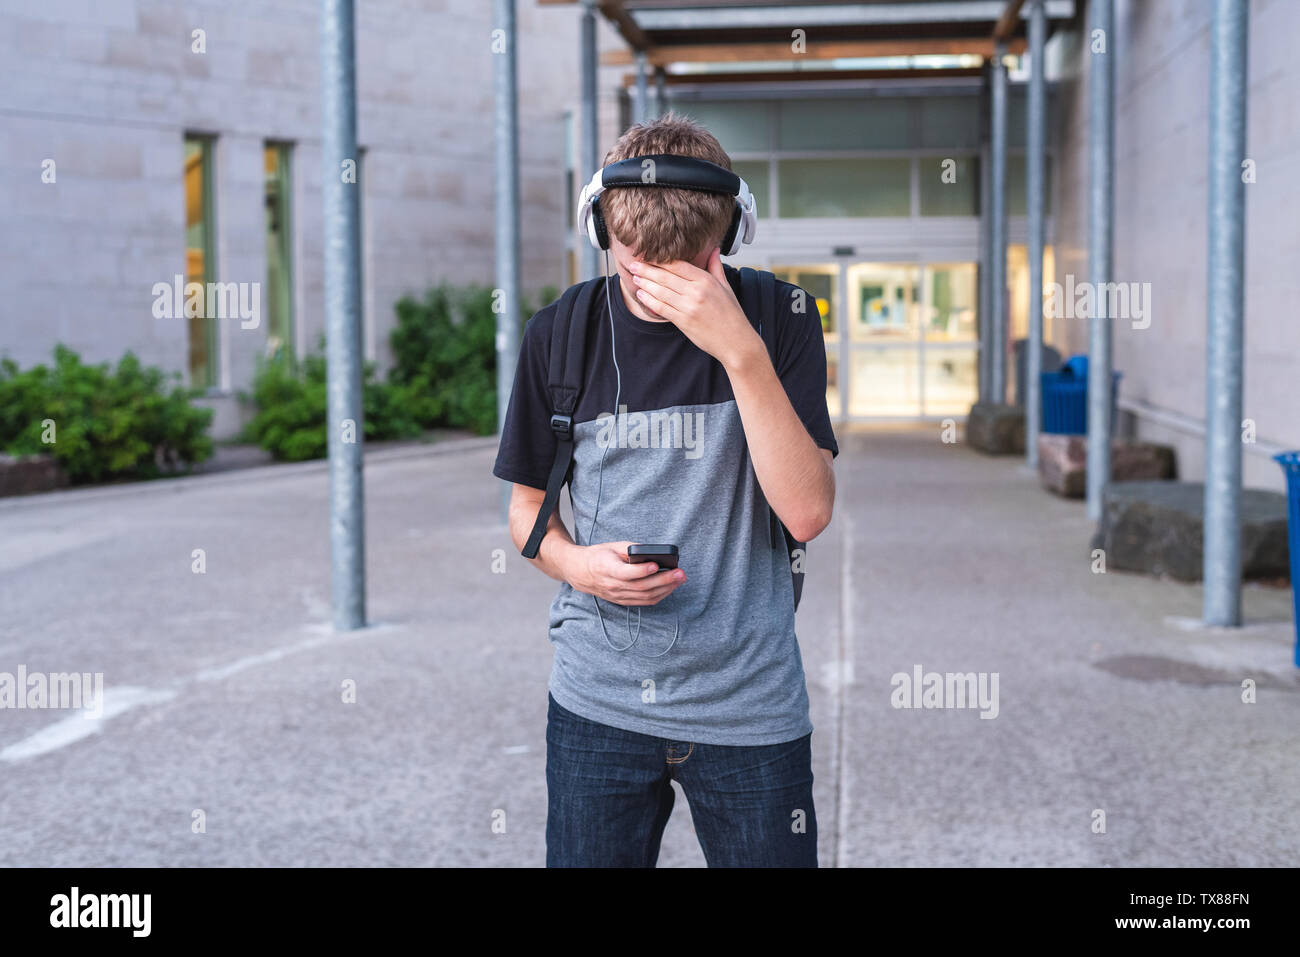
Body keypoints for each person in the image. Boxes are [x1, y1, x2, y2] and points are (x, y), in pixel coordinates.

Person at [493, 113, 838, 867]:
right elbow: (524, 512)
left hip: (750, 706)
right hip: (598, 703)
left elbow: (807, 510)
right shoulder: (561, 331)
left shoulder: (781, 319)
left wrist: (739, 352)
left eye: (679, 267)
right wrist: (580, 566)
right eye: (633, 262)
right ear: (602, 231)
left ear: (725, 242)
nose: (651, 288)